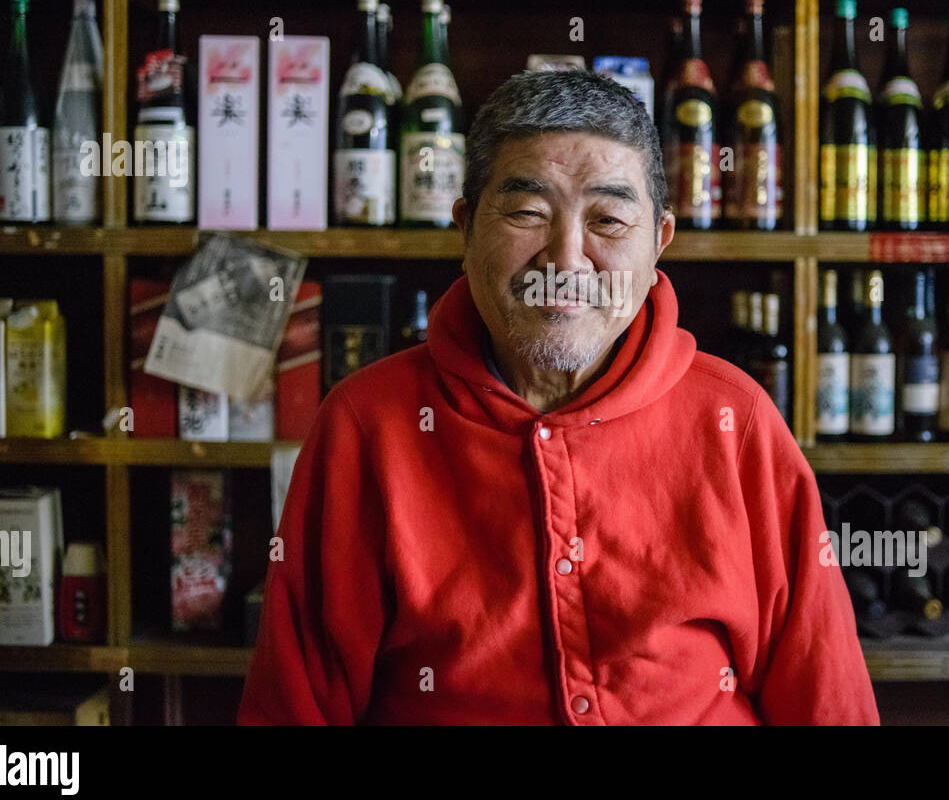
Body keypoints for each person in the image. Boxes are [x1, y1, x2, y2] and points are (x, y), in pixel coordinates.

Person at [238, 70, 879, 725]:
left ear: (658, 240)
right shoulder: (368, 423)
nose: (566, 259)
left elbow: (827, 696)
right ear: (466, 228)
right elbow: (293, 705)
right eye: (527, 213)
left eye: (607, 219)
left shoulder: (735, 419)